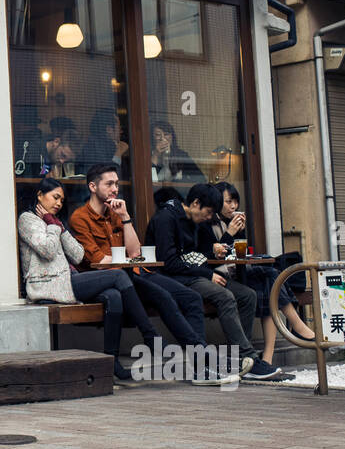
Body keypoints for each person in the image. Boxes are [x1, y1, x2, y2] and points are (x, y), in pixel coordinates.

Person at [66, 164, 235, 384]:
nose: (115, 189)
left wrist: (125, 217)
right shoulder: (80, 218)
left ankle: (200, 367)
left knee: (187, 297)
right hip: (106, 280)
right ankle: (197, 360)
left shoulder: (116, 214)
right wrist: (128, 261)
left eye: (116, 183)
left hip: (131, 276)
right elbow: (99, 261)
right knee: (154, 296)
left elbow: (135, 252)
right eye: (109, 184)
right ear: (92, 186)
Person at [144, 182, 282, 380]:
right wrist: (207, 274)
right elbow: (169, 263)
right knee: (224, 296)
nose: (209, 218)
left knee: (247, 295)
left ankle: (241, 359)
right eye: (208, 213)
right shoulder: (167, 218)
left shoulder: (193, 220)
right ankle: (248, 359)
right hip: (176, 278)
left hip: (194, 273)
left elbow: (195, 255)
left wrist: (212, 251)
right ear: (195, 203)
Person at [17, 176, 145, 383]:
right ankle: (148, 333)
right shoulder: (27, 220)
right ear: (40, 195)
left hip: (68, 279)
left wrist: (59, 226)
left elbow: (77, 255)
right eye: (55, 197)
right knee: (119, 275)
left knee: (113, 295)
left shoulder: (54, 222)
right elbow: (47, 251)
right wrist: (52, 226)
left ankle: (112, 361)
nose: (59, 203)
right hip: (48, 285)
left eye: (61, 200)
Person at [203, 182, 314, 373]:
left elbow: (239, 253)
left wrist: (240, 232)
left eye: (235, 202)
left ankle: (269, 354)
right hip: (219, 278)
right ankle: (293, 328)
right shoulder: (206, 225)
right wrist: (230, 232)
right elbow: (214, 255)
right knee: (268, 279)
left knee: (269, 279)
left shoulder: (233, 222)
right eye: (228, 201)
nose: (233, 206)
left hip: (238, 275)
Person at [150, 120, 204, 186]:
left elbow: (200, 178)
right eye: (158, 135)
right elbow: (147, 179)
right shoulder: (147, 154)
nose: (162, 138)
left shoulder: (181, 155)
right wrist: (156, 155)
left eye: (166, 134)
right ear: (152, 137)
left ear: (172, 137)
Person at [81, 108, 130, 179]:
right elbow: (106, 176)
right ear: (109, 129)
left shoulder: (111, 145)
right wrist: (118, 152)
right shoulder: (94, 147)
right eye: (119, 127)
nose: (121, 131)